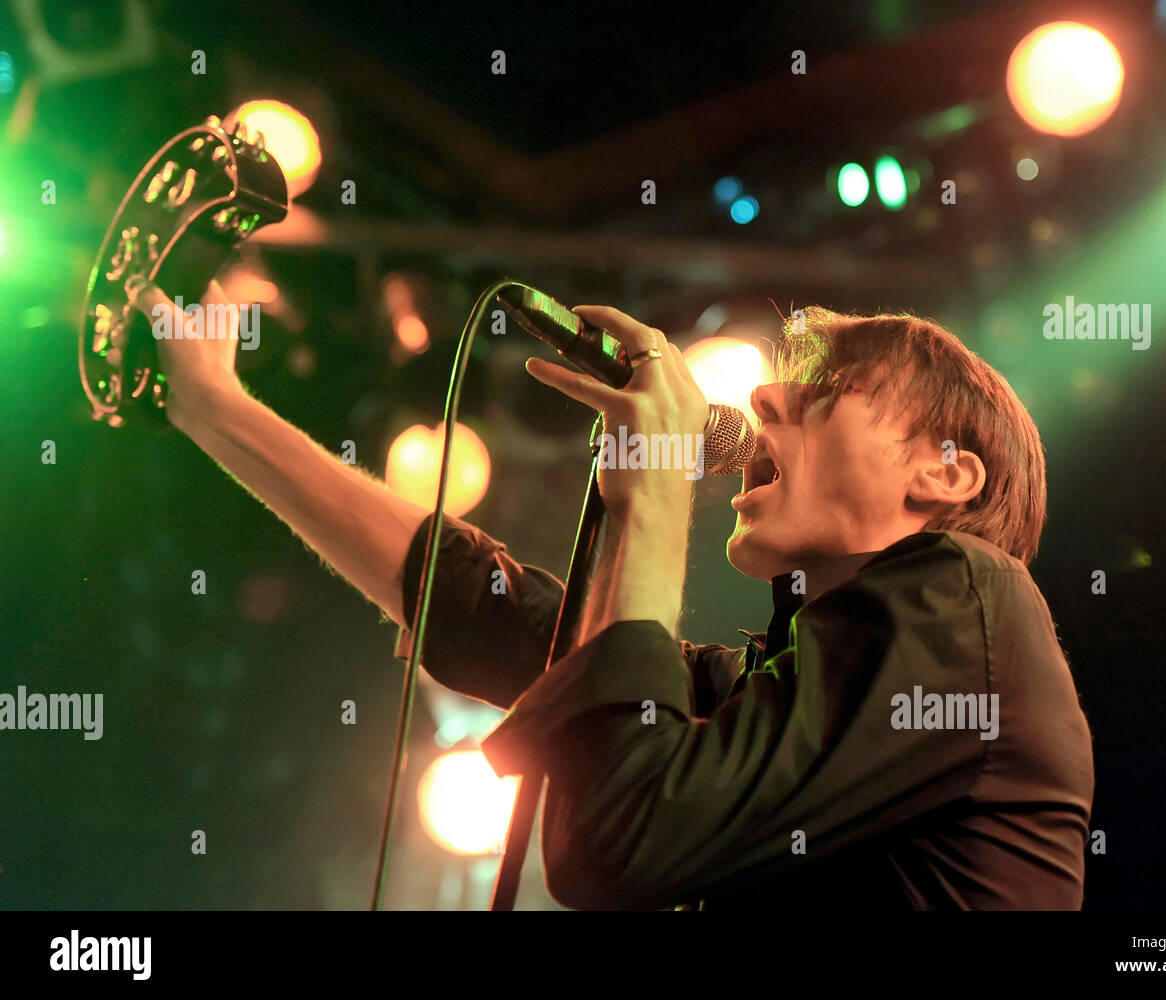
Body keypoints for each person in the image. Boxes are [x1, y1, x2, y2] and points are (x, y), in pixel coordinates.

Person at [126, 278, 1094, 910]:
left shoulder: (971, 596)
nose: (761, 400)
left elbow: (633, 835)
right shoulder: (790, 694)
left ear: (944, 474)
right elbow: (487, 612)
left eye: (826, 388)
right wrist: (216, 407)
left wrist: (657, 489)